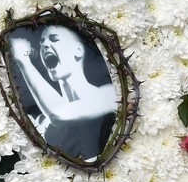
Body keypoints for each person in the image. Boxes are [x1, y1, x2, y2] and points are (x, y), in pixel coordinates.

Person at [7, 23, 118, 163]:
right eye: (41, 43)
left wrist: (24, 61)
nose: (45, 45)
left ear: (78, 51)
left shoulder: (107, 94)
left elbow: (60, 115)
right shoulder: (43, 122)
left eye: (54, 39)